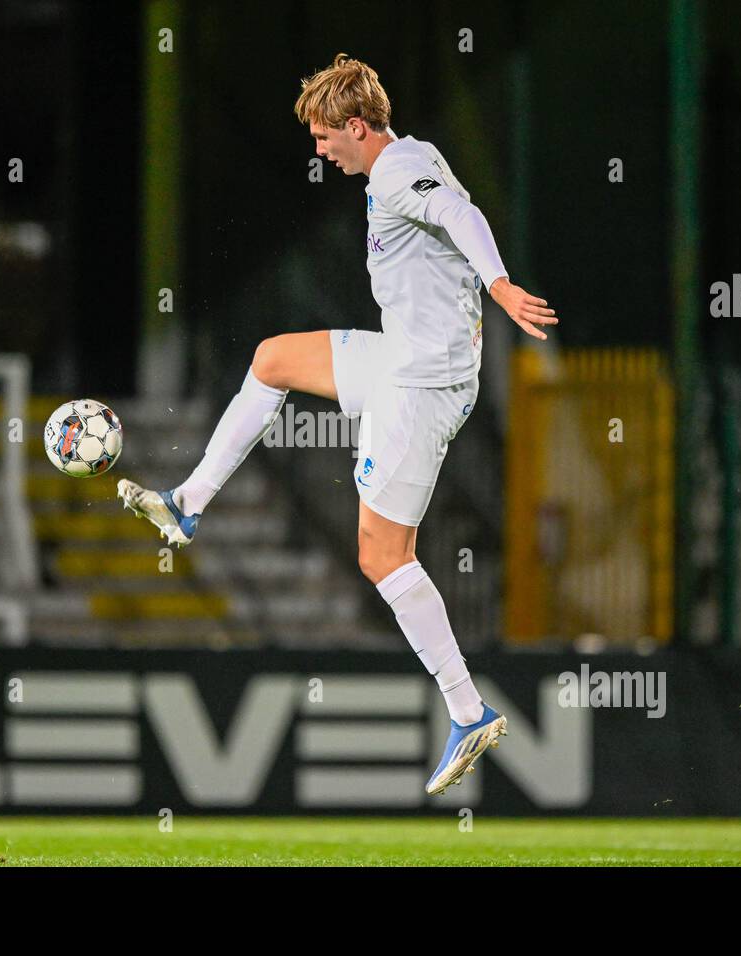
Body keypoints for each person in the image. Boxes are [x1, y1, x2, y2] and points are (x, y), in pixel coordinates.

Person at [118, 53, 558, 795]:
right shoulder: (412, 156)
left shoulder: (394, 170)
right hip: (405, 361)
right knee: (272, 360)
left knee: (382, 557)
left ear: (358, 127)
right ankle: (186, 505)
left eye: (325, 137)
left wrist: (501, 284)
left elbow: (461, 215)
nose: (319, 151)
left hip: (422, 385)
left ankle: (466, 708)